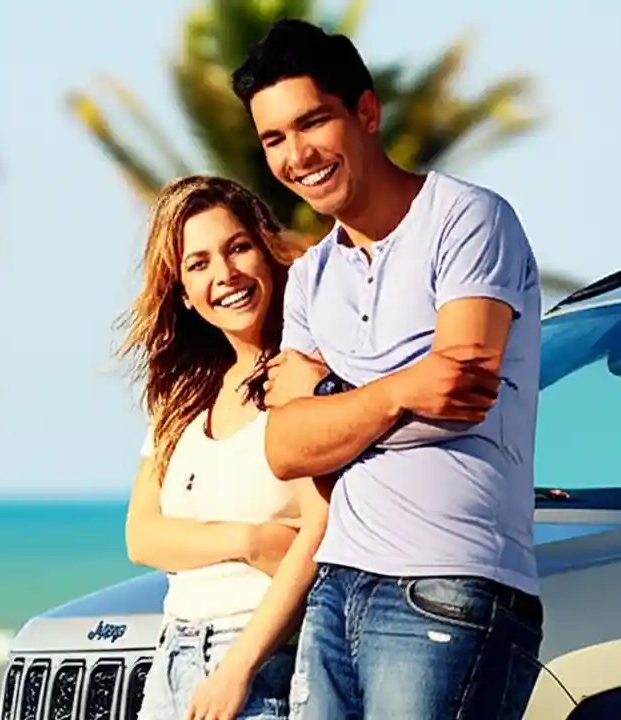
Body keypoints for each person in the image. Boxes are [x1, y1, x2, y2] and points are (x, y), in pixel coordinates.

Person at [222, 18, 546, 720]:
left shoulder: (467, 219)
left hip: (449, 583)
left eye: (312, 123)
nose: (295, 155)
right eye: (274, 138)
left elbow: (461, 391)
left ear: (366, 113)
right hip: (337, 589)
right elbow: (284, 449)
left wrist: (328, 400)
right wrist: (402, 389)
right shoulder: (310, 276)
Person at [119, 175, 314, 720]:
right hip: (173, 659)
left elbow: (316, 541)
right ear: (182, 291)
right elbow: (142, 535)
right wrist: (250, 540)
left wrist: (238, 667)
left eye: (238, 248)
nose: (225, 275)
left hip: (266, 661)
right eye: (198, 264)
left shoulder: (303, 377)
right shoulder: (181, 398)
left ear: (266, 248)